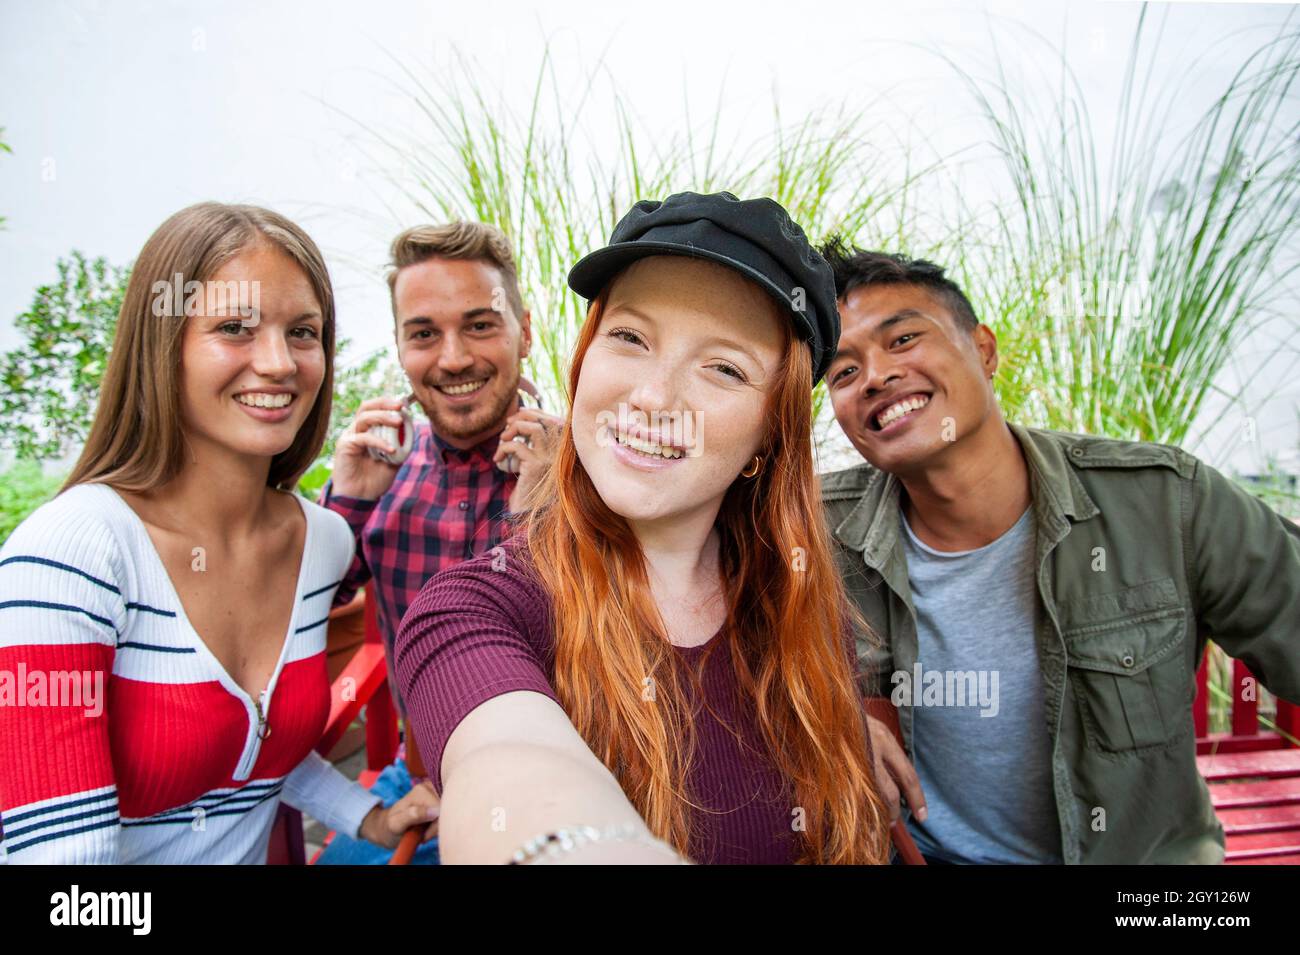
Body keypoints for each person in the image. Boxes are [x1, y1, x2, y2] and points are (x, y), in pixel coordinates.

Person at [394, 191, 890, 865]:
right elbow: (509, 770)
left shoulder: (803, 608)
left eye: (724, 367)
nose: (653, 396)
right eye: (629, 337)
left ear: (770, 437)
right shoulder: (472, 611)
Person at [816, 243, 1300, 864]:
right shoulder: (818, 530)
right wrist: (839, 717)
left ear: (984, 351)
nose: (876, 376)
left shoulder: (1165, 503)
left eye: (904, 339)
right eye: (844, 372)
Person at [0, 202, 437, 863]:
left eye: (302, 332)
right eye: (234, 327)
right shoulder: (70, 553)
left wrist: (369, 816)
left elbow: (257, 747)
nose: (279, 363)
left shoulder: (320, 542)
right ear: (161, 345)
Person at [314, 221, 564, 864]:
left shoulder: (587, 467)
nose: (453, 358)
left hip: (568, 785)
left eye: (480, 325)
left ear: (525, 333)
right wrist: (349, 504)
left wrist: (545, 507)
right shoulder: (379, 470)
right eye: (424, 333)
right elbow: (304, 616)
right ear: (400, 347)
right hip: (420, 779)